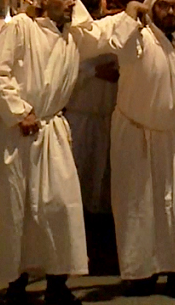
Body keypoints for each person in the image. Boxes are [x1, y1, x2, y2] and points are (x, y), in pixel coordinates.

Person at [0, 0, 115, 305]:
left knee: (60, 205)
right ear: (45, 0)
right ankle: (16, 281)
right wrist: (19, 111)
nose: (72, 3)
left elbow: (107, 35)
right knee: (19, 208)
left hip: (52, 130)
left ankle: (58, 280)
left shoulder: (72, 37)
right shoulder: (21, 29)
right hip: (19, 132)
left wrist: (131, 13)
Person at [106, 0, 175, 297]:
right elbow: (117, 45)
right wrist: (131, 15)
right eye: (164, 5)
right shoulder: (140, 38)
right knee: (137, 206)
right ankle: (138, 273)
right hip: (137, 134)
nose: (171, 12)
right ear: (153, 7)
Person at [64, 53, 118, 274]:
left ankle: (104, 253)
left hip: (112, 118)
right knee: (79, 184)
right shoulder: (78, 36)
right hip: (81, 117)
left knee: (107, 185)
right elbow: (64, 70)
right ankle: (75, 253)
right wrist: (93, 71)